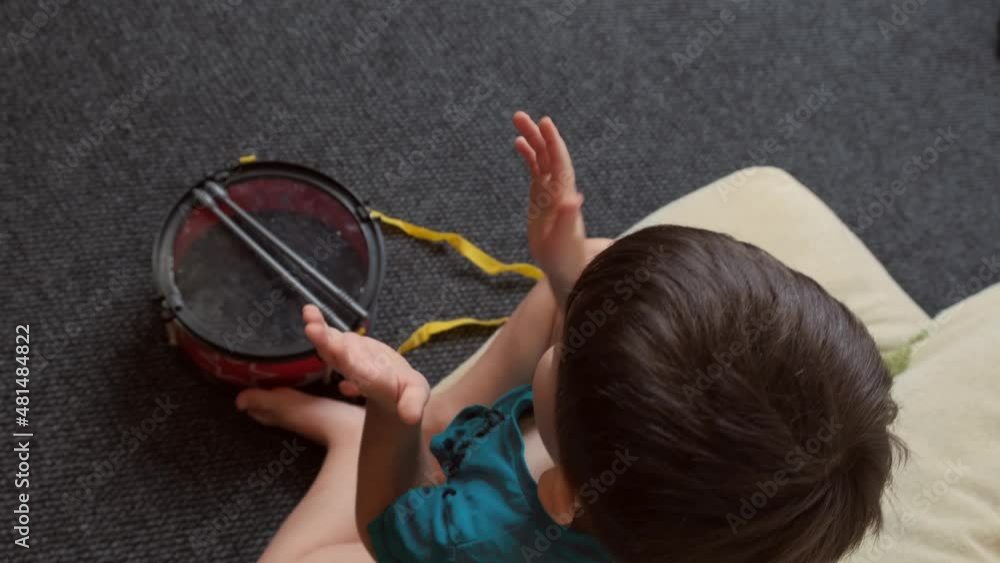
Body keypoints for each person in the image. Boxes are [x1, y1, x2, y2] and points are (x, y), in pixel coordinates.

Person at [235, 112, 903, 562]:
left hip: (443, 507)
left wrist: (391, 414)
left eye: (568, 347)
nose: (567, 317)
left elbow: (386, 525)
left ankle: (370, 432)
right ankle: (429, 418)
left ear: (562, 491)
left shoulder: (481, 535)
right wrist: (565, 263)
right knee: (597, 273)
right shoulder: (739, 526)